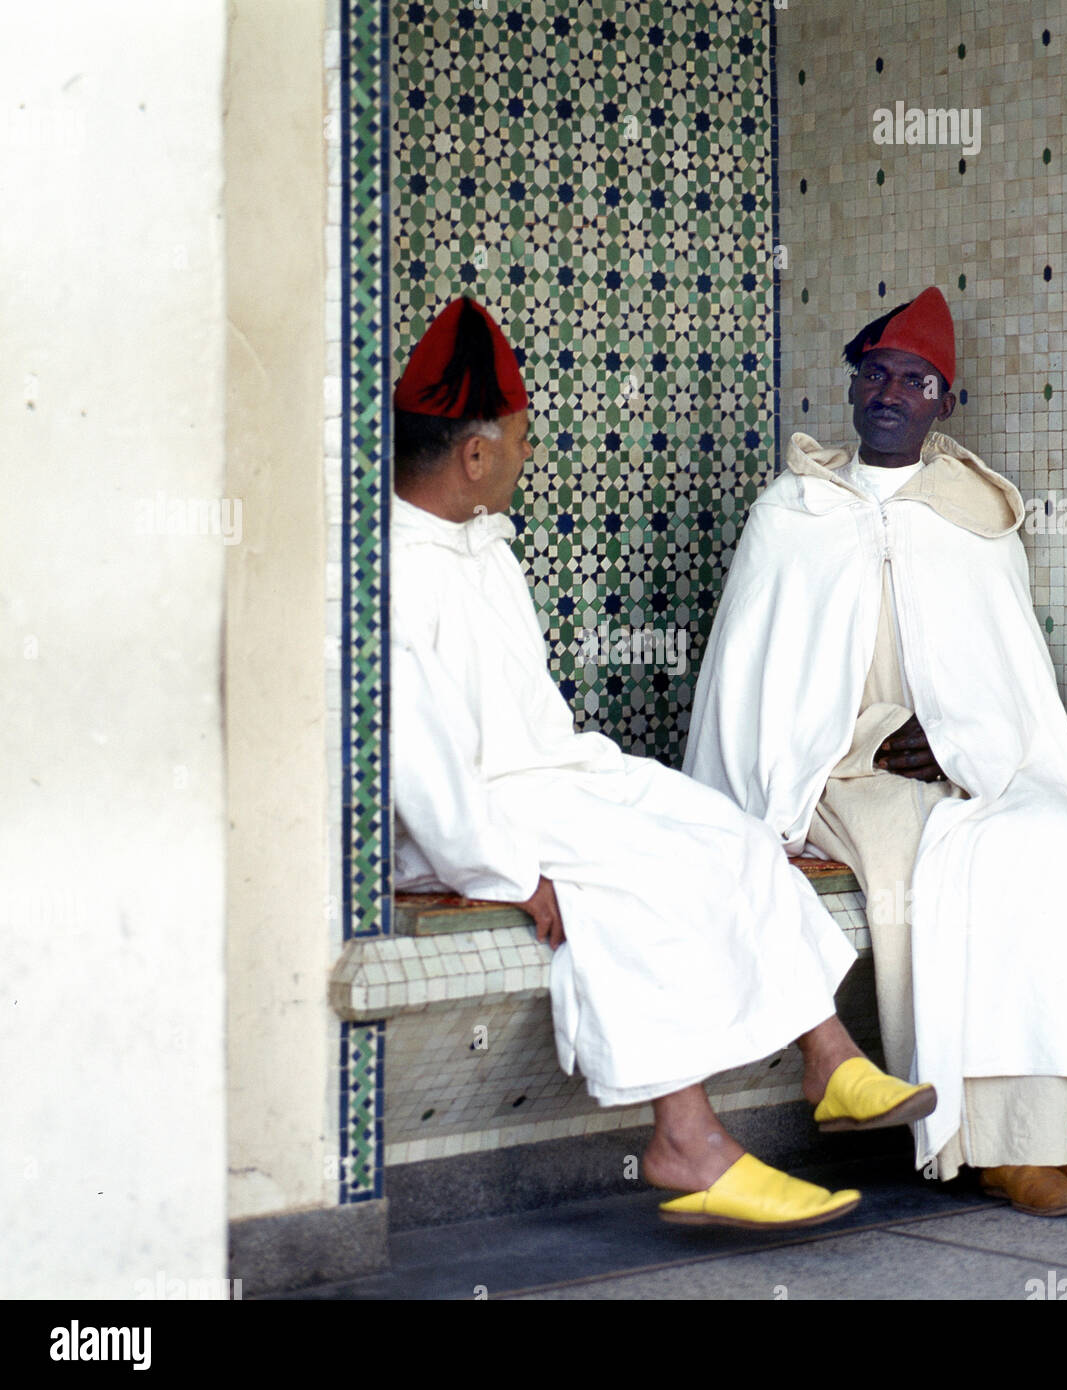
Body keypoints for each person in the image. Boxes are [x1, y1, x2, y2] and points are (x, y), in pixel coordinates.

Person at [390, 295, 937, 1230]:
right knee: (637, 879)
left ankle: (829, 1057)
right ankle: (685, 1136)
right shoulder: (396, 573)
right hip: (470, 820)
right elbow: (422, 768)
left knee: (727, 831)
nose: (527, 456)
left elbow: (533, 729)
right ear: (474, 455)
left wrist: (596, 786)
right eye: (519, 440)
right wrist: (510, 875)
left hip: (545, 780)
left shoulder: (481, 547)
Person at [684, 288, 1067, 1217]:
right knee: (924, 860)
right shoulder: (794, 511)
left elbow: (1004, 676)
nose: (890, 392)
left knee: (1040, 841)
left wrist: (954, 736)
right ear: (852, 392)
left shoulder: (969, 514)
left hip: (961, 762)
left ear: (944, 401)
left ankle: (1043, 1119)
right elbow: (755, 677)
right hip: (831, 769)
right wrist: (853, 736)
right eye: (873, 376)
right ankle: (991, 1145)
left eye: (914, 380)